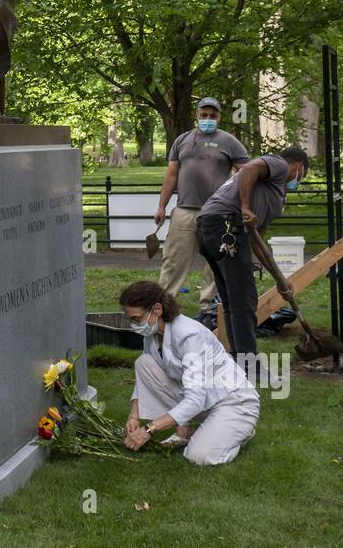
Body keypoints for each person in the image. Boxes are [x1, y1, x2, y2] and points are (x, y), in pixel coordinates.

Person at [118, 281, 259, 465]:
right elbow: (144, 378)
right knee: (144, 363)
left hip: (233, 401)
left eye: (136, 319)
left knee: (199, 456)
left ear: (157, 309)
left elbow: (195, 399)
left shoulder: (189, 335)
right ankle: (187, 430)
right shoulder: (152, 336)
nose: (133, 325)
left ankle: (238, 430)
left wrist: (149, 429)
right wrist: (133, 415)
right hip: (204, 399)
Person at [195, 145, 310, 371]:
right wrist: (245, 208)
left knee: (233, 300)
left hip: (210, 226)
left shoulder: (275, 193)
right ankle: (250, 366)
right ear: (300, 167)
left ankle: (238, 362)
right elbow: (249, 169)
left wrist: (279, 279)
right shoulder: (278, 164)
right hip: (226, 225)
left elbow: (257, 242)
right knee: (244, 301)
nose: (299, 179)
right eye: (302, 174)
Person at [154, 97, 249, 326]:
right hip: (185, 210)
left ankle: (208, 312)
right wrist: (161, 206)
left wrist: (236, 195)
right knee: (173, 261)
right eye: (204, 115)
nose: (208, 119)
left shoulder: (229, 141)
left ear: (219, 117)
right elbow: (172, 175)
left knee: (214, 264)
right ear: (197, 115)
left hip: (218, 214)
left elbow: (247, 172)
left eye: (213, 116)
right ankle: (162, 309)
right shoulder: (182, 140)